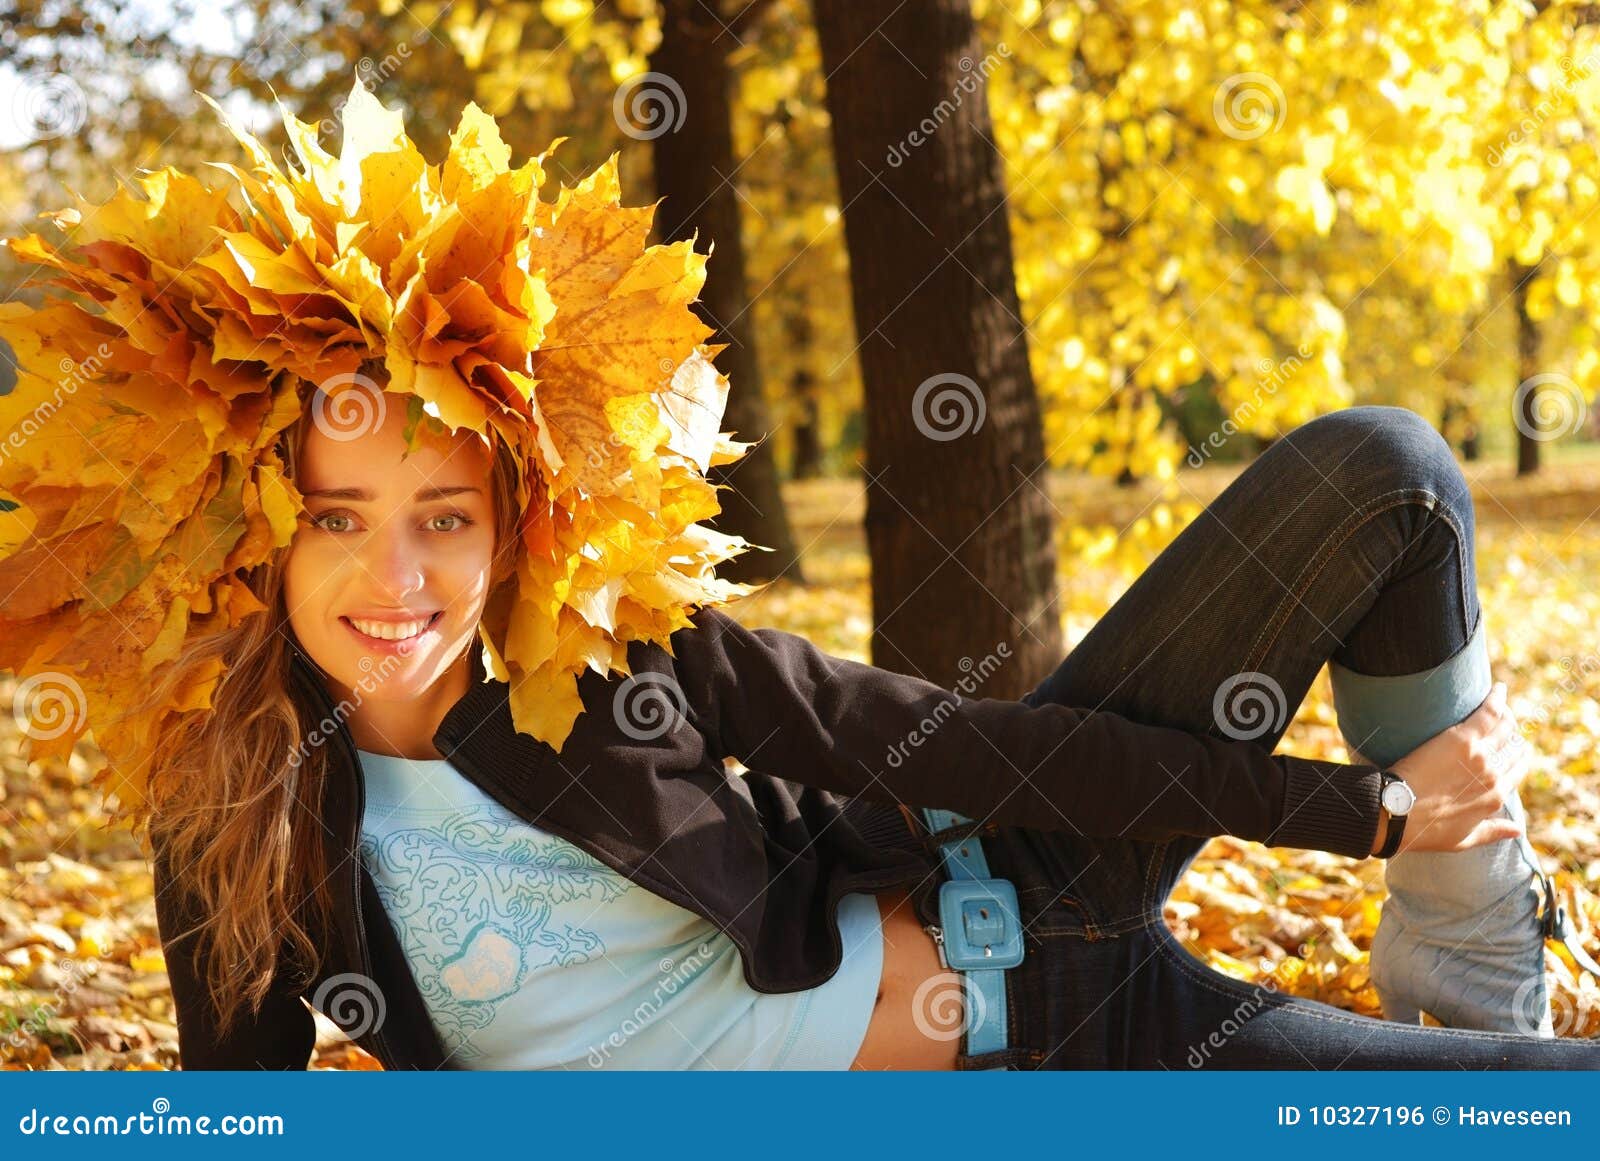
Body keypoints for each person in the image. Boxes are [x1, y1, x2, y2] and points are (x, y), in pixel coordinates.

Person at [2, 78, 1597, 1072]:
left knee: (1384, 470)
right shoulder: (245, 811)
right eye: (338, 517)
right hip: (1089, 1050)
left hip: (1029, 894)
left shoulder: (623, 653)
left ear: (521, 516)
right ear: (260, 533)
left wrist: (1372, 818)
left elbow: (989, 749)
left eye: (446, 513)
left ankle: (1463, 905)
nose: (397, 574)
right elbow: (235, 1122)